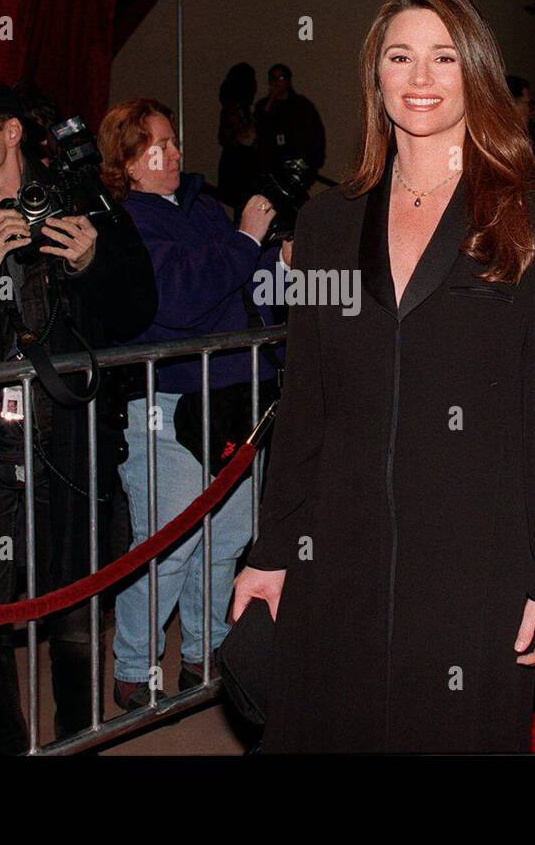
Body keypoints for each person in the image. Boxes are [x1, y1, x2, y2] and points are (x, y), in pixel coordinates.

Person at [232, 0, 535, 752]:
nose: (420, 80)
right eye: (401, 57)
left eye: (444, 58)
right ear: (377, 76)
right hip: (340, 549)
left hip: (475, 561)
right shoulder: (329, 221)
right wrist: (273, 551)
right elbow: (307, 403)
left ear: (477, 73)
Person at [0, 79, 157, 753]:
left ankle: (78, 739)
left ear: (12, 131)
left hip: (69, 443)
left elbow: (138, 309)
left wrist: (93, 260)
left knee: (74, 616)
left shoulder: (79, 199)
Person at [99, 96, 286, 711]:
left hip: (236, 396)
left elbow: (244, 284)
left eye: (175, 141)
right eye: (159, 145)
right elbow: (181, 299)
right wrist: (245, 239)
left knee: (227, 539)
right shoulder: (125, 220)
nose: (176, 152)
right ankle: (133, 668)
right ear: (127, 162)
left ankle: (208, 655)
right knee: (167, 546)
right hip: (169, 405)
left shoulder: (203, 208)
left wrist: (278, 261)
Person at [254, 63, 325, 186]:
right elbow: (259, 127)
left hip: (299, 164)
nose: (277, 83)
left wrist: (314, 161)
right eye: (273, 79)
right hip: (272, 166)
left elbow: (316, 133)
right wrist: (270, 100)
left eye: (281, 78)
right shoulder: (263, 106)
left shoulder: (302, 105)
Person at [217, 63, 258, 210]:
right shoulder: (237, 108)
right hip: (241, 164)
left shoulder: (230, 106)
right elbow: (246, 138)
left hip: (235, 161)